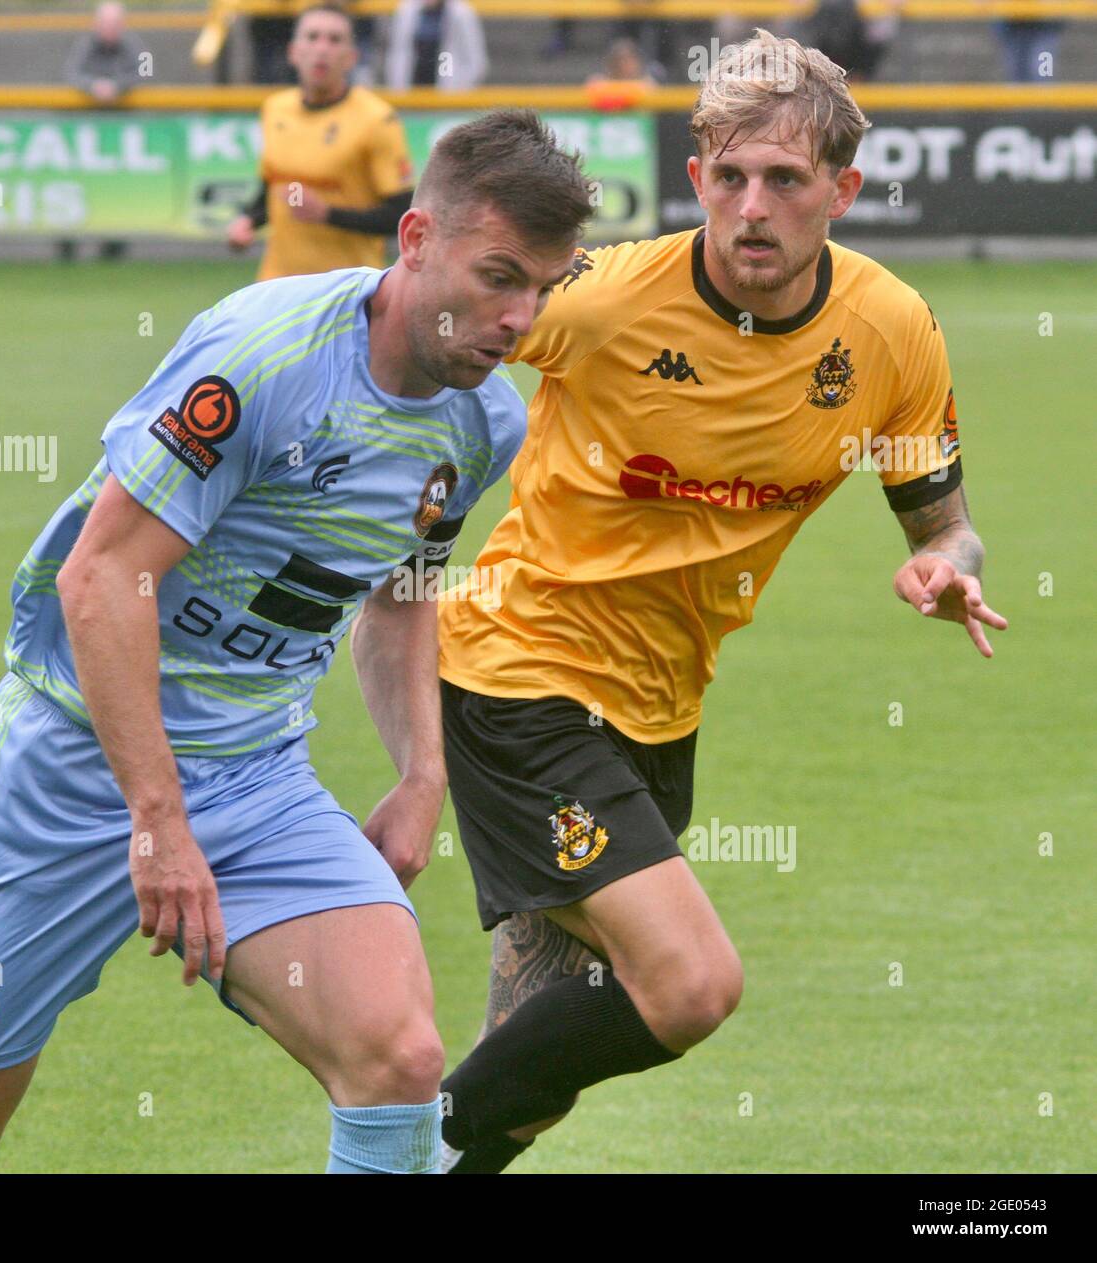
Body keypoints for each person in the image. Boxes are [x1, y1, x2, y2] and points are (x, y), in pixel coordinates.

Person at [0, 109, 594, 1177]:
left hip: (255, 781)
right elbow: (102, 576)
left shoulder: (480, 424)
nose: (518, 317)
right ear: (414, 239)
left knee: (398, 1061)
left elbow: (401, 594)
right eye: (499, 276)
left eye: (544, 287)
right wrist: (157, 827)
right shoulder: (263, 361)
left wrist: (419, 774)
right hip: (74, 769)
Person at [434, 28, 1007, 1173]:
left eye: (785, 181)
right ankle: (394, 1134)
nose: (752, 208)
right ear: (696, 179)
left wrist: (949, 567)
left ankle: (431, 1152)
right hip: (518, 673)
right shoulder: (594, 302)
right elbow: (432, 331)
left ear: (839, 191)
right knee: (689, 984)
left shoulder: (891, 332)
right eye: (729, 178)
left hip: (662, 705)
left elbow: (942, 521)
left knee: (537, 1059)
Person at [228, 4, 416, 281]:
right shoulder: (275, 109)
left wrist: (328, 214)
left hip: (346, 289)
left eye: (335, 39)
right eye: (312, 37)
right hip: (277, 285)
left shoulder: (377, 119)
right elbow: (274, 187)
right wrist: (249, 221)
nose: (322, 49)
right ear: (293, 51)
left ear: (351, 57)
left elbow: (401, 214)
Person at [385, 0, 488, 92]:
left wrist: (459, 88)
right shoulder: (406, 9)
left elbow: (476, 60)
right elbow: (397, 52)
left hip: (448, 95)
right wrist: (397, 86)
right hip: (411, 92)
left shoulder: (461, 12)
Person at [64, 1, 149, 105]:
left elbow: (147, 72)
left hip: (129, 112)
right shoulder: (84, 44)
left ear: (123, 24)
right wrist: (93, 85)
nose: (110, 28)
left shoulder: (135, 43)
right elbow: (71, 73)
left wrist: (118, 86)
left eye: (115, 23)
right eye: (106, 23)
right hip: (90, 112)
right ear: (96, 24)